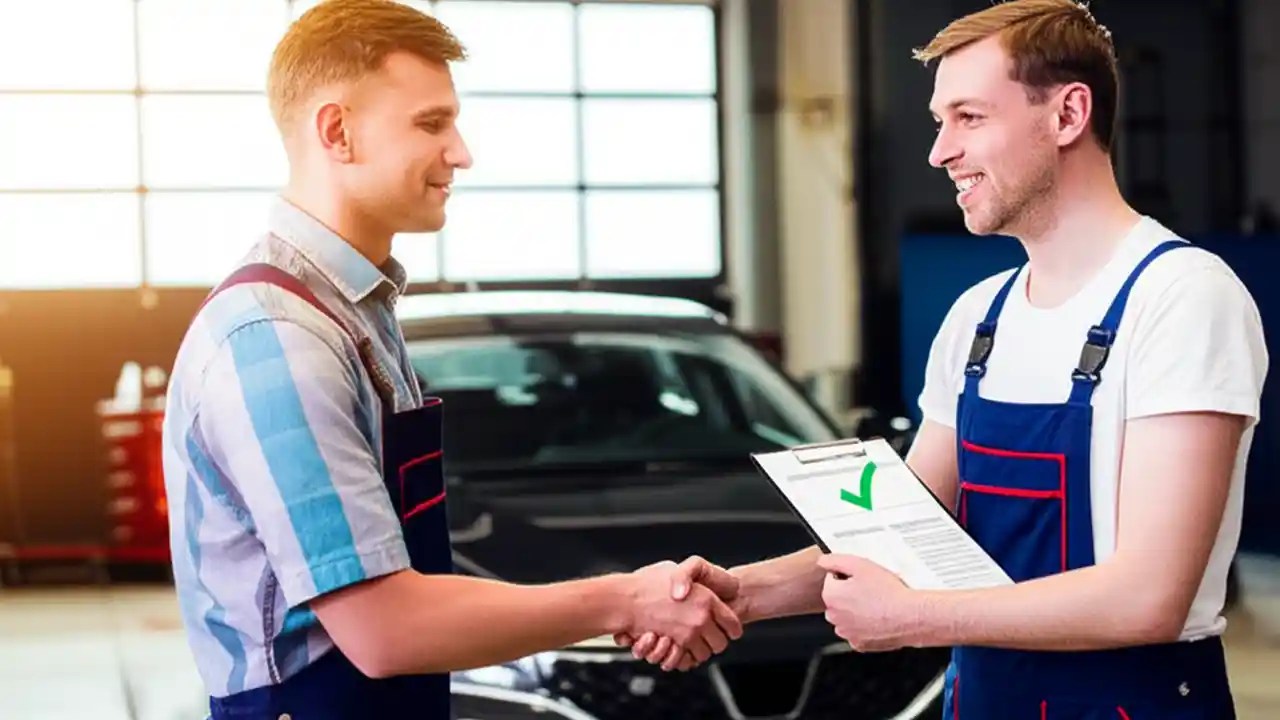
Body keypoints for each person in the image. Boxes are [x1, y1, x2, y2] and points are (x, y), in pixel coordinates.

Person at [620, 1, 1268, 717]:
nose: (939, 152)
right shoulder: (977, 319)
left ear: (1067, 114)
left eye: (969, 117)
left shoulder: (1181, 297)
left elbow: (1148, 597)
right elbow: (904, 535)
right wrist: (743, 594)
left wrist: (916, 619)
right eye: (940, 121)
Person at [159, 1, 742, 718]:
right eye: (431, 123)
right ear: (337, 132)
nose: (461, 152)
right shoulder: (279, 338)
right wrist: (623, 598)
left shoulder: (355, 309)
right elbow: (383, 628)